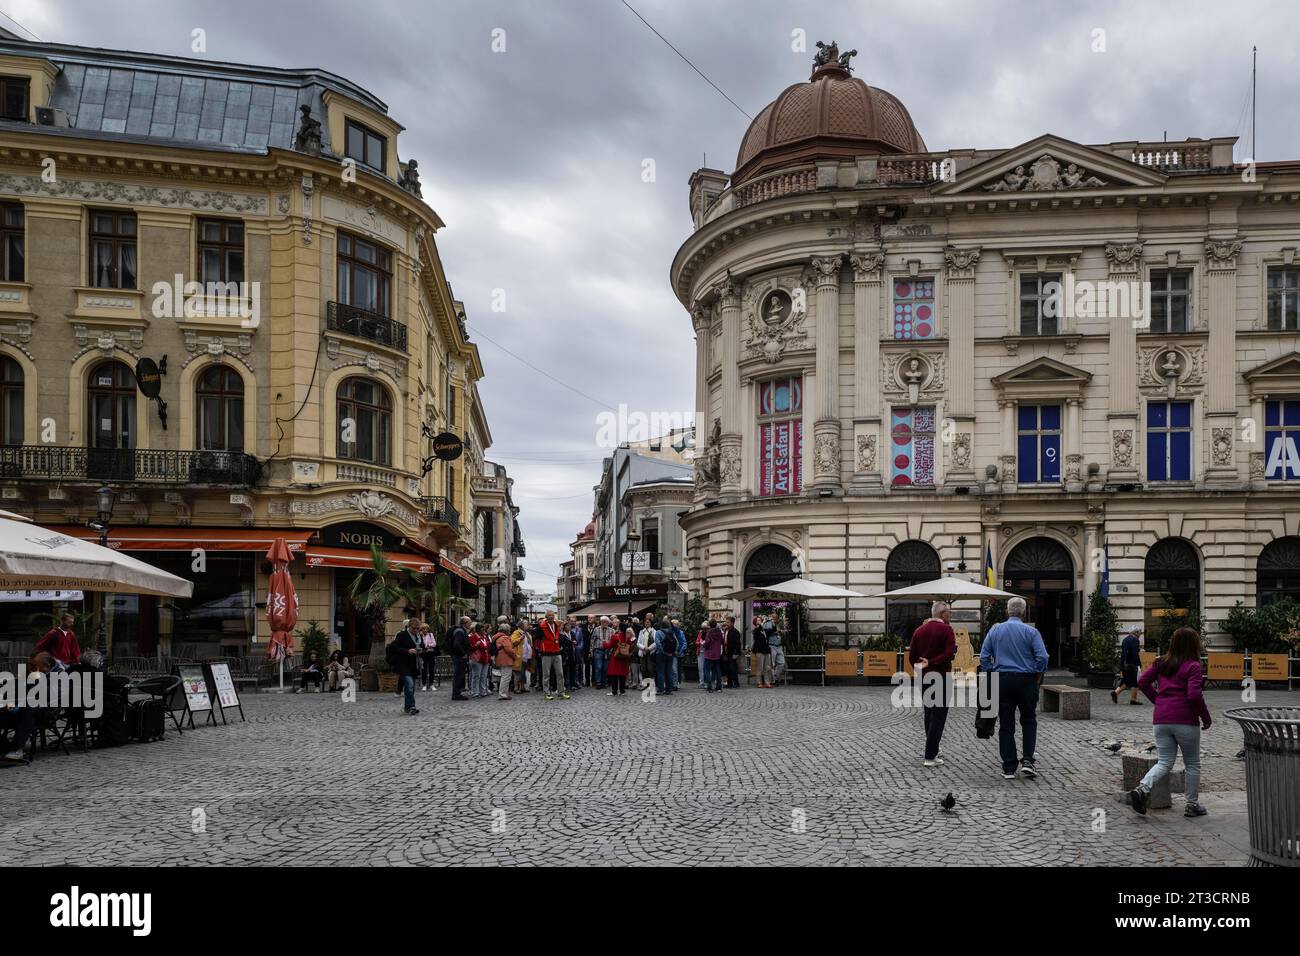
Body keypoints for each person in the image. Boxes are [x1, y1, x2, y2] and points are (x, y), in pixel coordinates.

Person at [1129, 627, 1212, 818]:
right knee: (1192, 764)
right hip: (1185, 720)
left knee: (1165, 761)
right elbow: (1194, 695)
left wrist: (1158, 700)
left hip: (1161, 719)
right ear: (1194, 645)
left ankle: (1142, 789)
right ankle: (1192, 805)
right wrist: (1205, 718)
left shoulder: (1161, 663)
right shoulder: (1193, 666)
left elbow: (1142, 682)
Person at [979, 596, 1049, 779]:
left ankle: (1009, 767)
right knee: (1029, 720)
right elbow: (1043, 657)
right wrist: (1036, 675)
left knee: (1006, 724)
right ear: (1024, 613)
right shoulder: (1031, 632)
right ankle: (1027, 761)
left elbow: (984, 657)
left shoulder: (996, 630)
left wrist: (991, 672)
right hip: (1026, 681)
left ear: (1007, 611)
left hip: (1002, 681)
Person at [908, 602, 957, 767]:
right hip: (942, 676)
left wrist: (921, 667)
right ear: (942, 614)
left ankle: (934, 747)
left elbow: (912, 657)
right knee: (939, 716)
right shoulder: (947, 630)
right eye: (949, 612)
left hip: (924, 678)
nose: (950, 615)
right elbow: (949, 653)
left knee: (929, 713)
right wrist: (933, 662)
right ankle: (930, 755)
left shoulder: (919, 631)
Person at [537, 610, 568, 701]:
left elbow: (560, 634)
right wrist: (541, 648)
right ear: (546, 616)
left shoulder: (556, 625)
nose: (551, 616)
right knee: (546, 674)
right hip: (546, 653)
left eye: (552, 615)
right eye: (549, 615)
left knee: (560, 674)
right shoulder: (541, 627)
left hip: (557, 652)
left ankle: (561, 692)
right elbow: (537, 638)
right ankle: (546, 693)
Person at [391, 623, 422, 715]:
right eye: (414, 628)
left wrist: (421, 650)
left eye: (417, 628)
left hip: (414, 664)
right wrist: (407, 651)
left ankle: (407, 707)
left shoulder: (418, 636)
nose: (416, 630)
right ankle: (412, 706)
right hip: (403, 664)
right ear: (409, 627)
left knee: (411, 687)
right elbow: (394, 647)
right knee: (409, 684)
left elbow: (423, 646)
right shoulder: (402, 635)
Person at [1112, 624, 1143, 705]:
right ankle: (1133, 699)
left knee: (1126, 681)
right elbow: (1135, 653)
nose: (1140, 634)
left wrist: (1121, 665)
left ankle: (1116, 693)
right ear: (1136, 632)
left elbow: (1123, 654)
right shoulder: (1135, 640)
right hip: (1132, 664)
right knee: (1135, 681)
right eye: (1139, 632)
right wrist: (1138, 664)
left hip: (1125, 664)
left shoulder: (1125, 639)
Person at [606, 625, 634, 696]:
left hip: (616, 657)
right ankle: (622, 691)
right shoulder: (627, 638)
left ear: (619, 629)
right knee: (622, 675)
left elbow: (609, 646)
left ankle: (614, 691)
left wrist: (604, 643)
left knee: (614, 675)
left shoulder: (615, 636)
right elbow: (630, 648)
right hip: (624, 658)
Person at [449, 616, 471, 701]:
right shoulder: (460, 631)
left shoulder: (461, 631)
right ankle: (456, 693)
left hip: (459, 656)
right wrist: (463, 654)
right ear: (465, 623)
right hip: (459, 657)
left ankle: (458, 692)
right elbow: (456, 644)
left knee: (460, 674)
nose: (470, 624)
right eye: (469, 622)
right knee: (458, 675)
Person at [654, 616, 676, 695]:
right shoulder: (671, 632)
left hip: (661, 655)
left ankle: (661, 689)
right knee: (669, 672)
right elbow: (676, 643)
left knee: (661, 672)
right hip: (670, 655)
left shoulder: (658, 632)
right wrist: (672, 652)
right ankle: (669, 690)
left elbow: (658, 643)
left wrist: (663, 651)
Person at [702, 616, 724, 693]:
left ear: (710, 625)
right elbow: (722, 642)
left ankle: (709, 687)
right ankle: (719, 687)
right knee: (718, 670)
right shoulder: (719, 632)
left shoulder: (709, 633)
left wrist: (703, 645)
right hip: (717, 654)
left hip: (709, 654)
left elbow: (707, 643)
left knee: (706, 670)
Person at [469, 623, 491, 699]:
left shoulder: (485, 637)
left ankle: (483, 691)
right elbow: (471, 648)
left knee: (484, 676)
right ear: (478, 630)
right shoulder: (473, 637)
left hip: (485, 658)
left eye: (484, 629)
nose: (483, 631)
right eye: (482, 630)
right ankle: (475, 692)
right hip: (477, 659)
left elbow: (488, 647)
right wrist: (476, 645)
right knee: (476, 676)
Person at [494, 624, 516, 700]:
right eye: (509, 629)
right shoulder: (504, 638)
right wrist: (514, 656)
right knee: (506, 677)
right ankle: (503, 694)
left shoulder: (497, 637)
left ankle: (504, 693)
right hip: (506, 659)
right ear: (506, 630)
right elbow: (509, 649)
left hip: (500, 659)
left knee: (504, 677)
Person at [591, 616, 614, 689]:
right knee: (598, 667)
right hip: (598, 650)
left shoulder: (612, 630)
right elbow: (592, 640)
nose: (604, 623)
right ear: (600, 622)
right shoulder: (596, 629)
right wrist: (591, 651)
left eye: (605, 621)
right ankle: (598, 683)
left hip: (607, 651)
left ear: (608, 622)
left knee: (605, 668)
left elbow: (613, 642)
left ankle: (604, 682)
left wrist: (610, 648)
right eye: (602, 621)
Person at [750, 615, 773, 688]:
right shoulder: (756, 630)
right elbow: (757, 636)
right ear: (755, 622)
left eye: (760, 620)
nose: (760, 621)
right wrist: (761, 624)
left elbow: (772, 630)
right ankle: (759, 682)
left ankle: (767, 682)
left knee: (767, 667)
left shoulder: (764, 630)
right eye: (758, 620)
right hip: (759, 650)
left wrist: (772, 622)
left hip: (766, 650)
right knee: (760, 667)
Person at [636, 613, 657, 690]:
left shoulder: (654, 632)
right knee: (643, 669)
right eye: (646, 622)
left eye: (648, 622)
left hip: (650, 653)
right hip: (643, 652)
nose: (647, 623)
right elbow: (638, 643)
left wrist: (649, 648)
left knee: (650, 669)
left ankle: (651, 684)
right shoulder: (642, 632)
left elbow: (656, 642)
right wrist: (644, 648)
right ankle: (645, 684)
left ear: (651, 623)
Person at [723, 615, 743, 688]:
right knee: (727, 668)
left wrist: (736, 653)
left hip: (732, 653)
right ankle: (729, 683)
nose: (726, 623)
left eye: (728, 622)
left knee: (733, 668)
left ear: (732, 623)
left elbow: (737, 644)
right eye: (726, 622)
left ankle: (736, 683)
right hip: (726, 652)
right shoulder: (726, 630)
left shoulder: (735, 632)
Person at [419, 622, 439, 692]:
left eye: (426, 629)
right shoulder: (420, 636)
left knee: (431, 669)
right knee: (424, 670)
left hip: (431, 654)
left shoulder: (430, 635)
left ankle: (431, 684)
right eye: (423, 629)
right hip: (424, 655)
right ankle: (424, 684)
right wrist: (426, 646)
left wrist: (428, 646)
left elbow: (434, 644)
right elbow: (421, 645)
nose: (425, 630)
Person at [765, 616, 784, 685]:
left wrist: (781, 632)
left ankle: (775, 677)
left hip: (779, 646)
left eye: (776, 617)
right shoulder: (768, 623)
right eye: (773, 617)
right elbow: (767, 631)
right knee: (772, 664)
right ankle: (773, 680)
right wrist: (775, 631)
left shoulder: (779, 625)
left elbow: (780, 632)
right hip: (772, 645)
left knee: (782, 663)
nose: (774, 619)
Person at [510, 620, 528, 694]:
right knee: (517, 673)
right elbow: (513, 642)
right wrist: (520, 638)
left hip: (524, 656)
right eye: (526, 624)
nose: (527, 625)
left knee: (523, 673)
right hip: (519, 655)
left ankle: (522, 687)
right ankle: (516, 688)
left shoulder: (525, 633)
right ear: (521, 626)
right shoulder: (517, 632)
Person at [669, 618, 687, 688]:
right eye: (673, 624)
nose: (674, 625)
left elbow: (684, 643)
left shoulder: (681, 632)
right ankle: (673, 682)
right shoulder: (670, 632)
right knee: (673, 668)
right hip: (672, 652)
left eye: (675, 624)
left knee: (677, 669)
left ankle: (677, 682)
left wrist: (680, 651)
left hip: (679, 653)